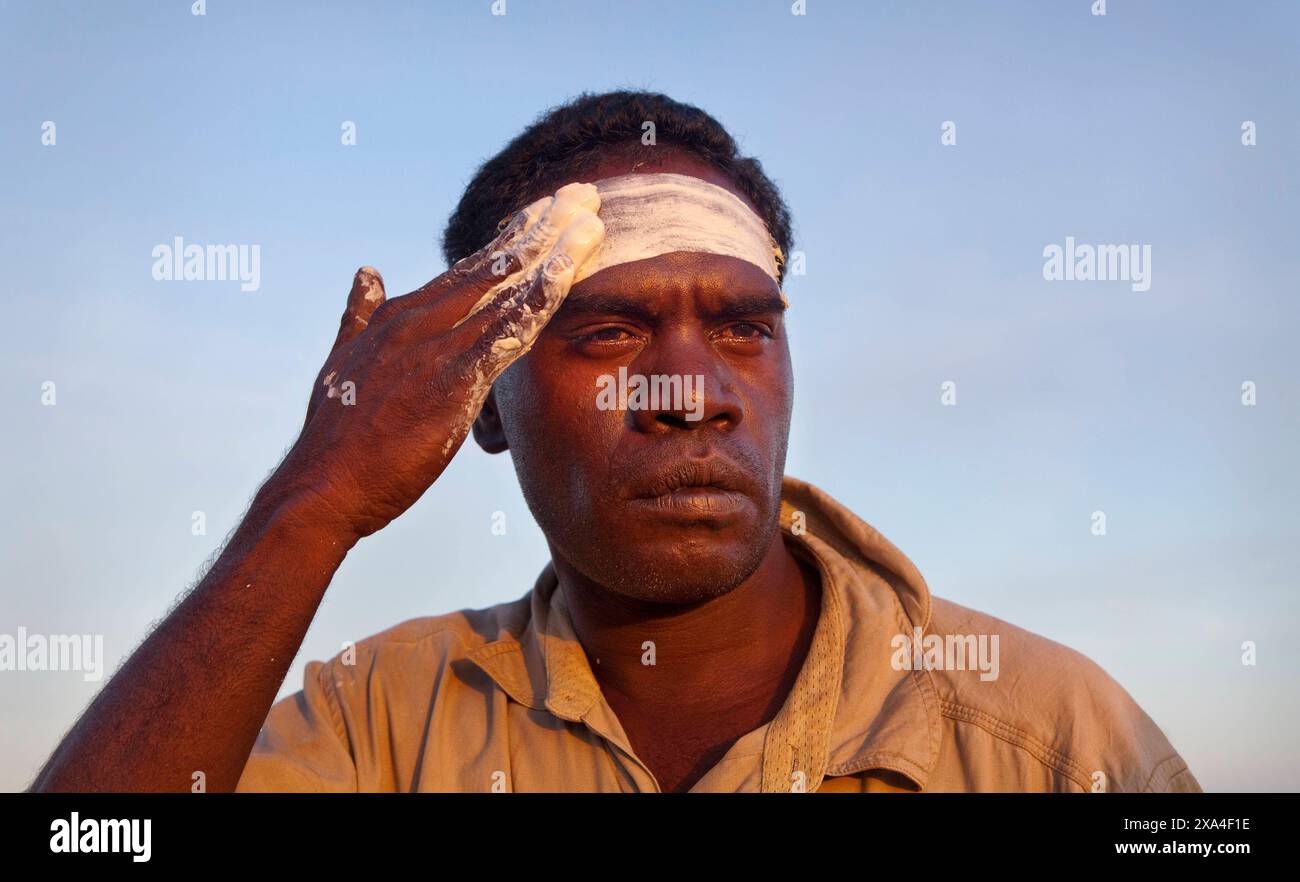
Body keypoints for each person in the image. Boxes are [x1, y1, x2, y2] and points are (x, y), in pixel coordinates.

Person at [30, 90, 1200, 793]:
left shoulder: (1049, 735)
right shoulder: (383, 721)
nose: (693, 391)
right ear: (481, 404)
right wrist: (313, 502)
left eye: (744, 328)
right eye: (607, 331)